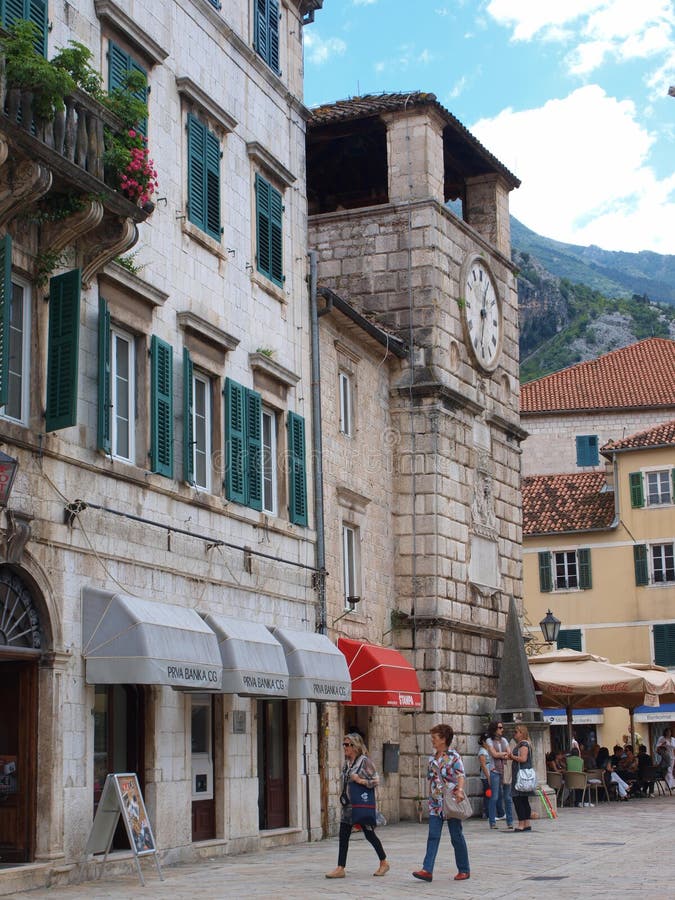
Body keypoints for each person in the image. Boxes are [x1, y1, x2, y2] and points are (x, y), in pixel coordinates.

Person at [325, 733, 389, 879]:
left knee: (369, 834)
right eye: (344, 744)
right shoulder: (347, 763)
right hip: (348, 806)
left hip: (360, 806)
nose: (344, 748)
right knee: (343, 836)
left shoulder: (364, 761)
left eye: (347, 745)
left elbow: (376, 780)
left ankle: (384, 862)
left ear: (355, 746)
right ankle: (340, 868)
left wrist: (360, 780)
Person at [412, 723, 470, 883]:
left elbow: (461, 775)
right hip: (435, 803)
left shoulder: (453, 757)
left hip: (450, 801)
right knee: (433, 835)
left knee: (456, 835)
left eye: (434, 738)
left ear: (443, 739)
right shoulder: (432, 758)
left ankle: (464, 869)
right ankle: (427, 870)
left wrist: (459, 791)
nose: (432, 740)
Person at [485, 720, 513, 830]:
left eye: (502, 727)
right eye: (500, 727)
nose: (502, 730)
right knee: (494, 797)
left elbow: (509, 753)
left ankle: (510, 821)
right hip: (494, 770)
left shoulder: (504, 740)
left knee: (508, 797)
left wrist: (500, 755)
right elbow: (494, 754)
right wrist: (503, 754)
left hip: (505, 770)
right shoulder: (489, 740)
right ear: (494, 729)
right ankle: (492, 821)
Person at [509, 724, 535, 832]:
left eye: (516, 732)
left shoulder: (523, 744)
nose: (514, 734)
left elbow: (523, 759)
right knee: (523, 799)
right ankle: (526, 823)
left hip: (521, 775)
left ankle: (522, 823)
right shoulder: (522, 744)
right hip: (521, 774)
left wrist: (512, 757)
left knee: (518, 799)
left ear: (522, 733)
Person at [477, 733, 491, 819]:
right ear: (483, 742)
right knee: (488, 794)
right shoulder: (482, 752)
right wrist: (488, 777)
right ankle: (486, 812)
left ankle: (488, 812)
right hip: (486, 776)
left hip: (490, 774)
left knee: (490, 794)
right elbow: (483, 766)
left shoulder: (488, 750)